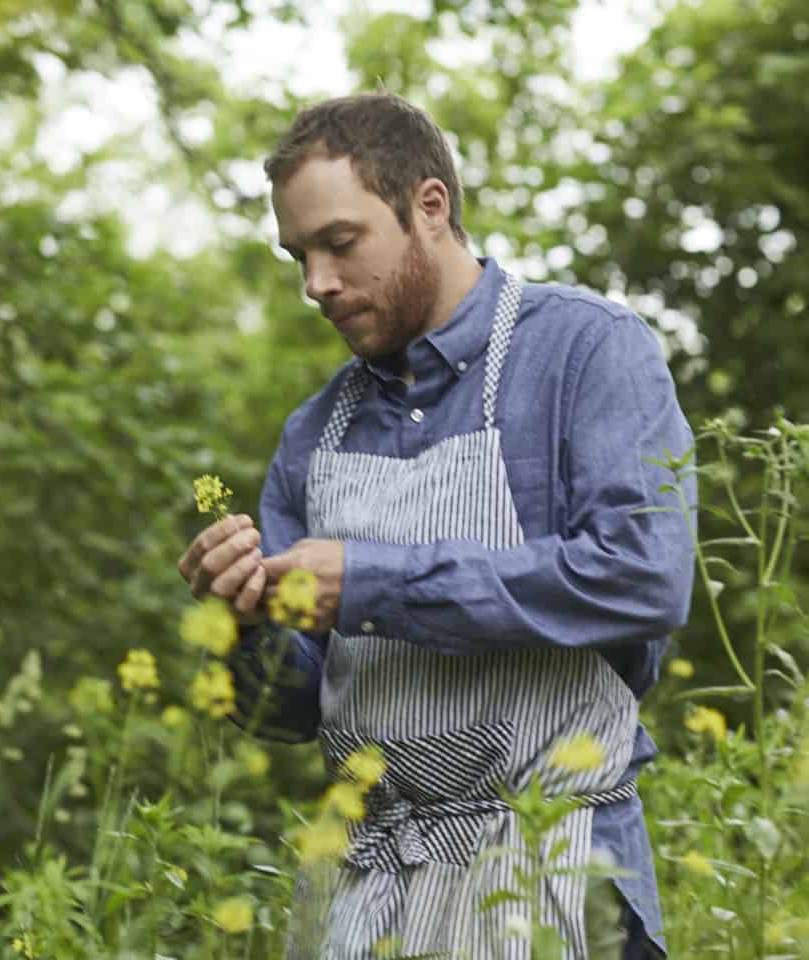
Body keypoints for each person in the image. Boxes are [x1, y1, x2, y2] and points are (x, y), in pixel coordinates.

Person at [176, 93, 693, 959]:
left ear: (429, 207)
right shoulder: (315, 433)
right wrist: (241, 623)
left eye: (340, 244)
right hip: (371, 893)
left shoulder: (584, 352)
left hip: (555, 868)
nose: (317, 285)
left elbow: (644, 575)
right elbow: (294, 709)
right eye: (298, 255)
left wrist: (375, 583)